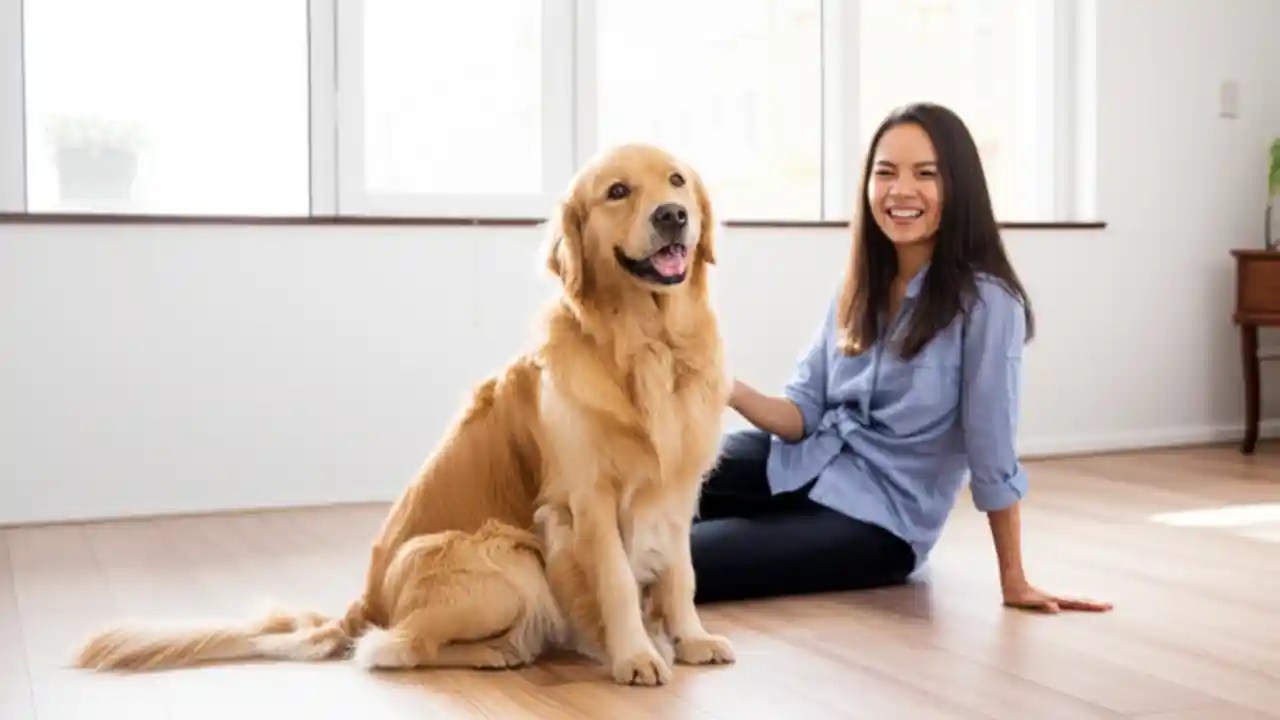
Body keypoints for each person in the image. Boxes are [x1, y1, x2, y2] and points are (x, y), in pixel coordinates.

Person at [689, 102, 1112, 614]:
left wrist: (1014, 580)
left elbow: (991, 446)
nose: (901, 190)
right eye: (885, 172)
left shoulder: (987, 302)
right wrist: (724, 383)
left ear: (958, 188)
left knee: (678, 558)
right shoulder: (857, 283)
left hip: (878, 522)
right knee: (654, 484)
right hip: (805, 460)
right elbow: (802, 414)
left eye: (925, 174)